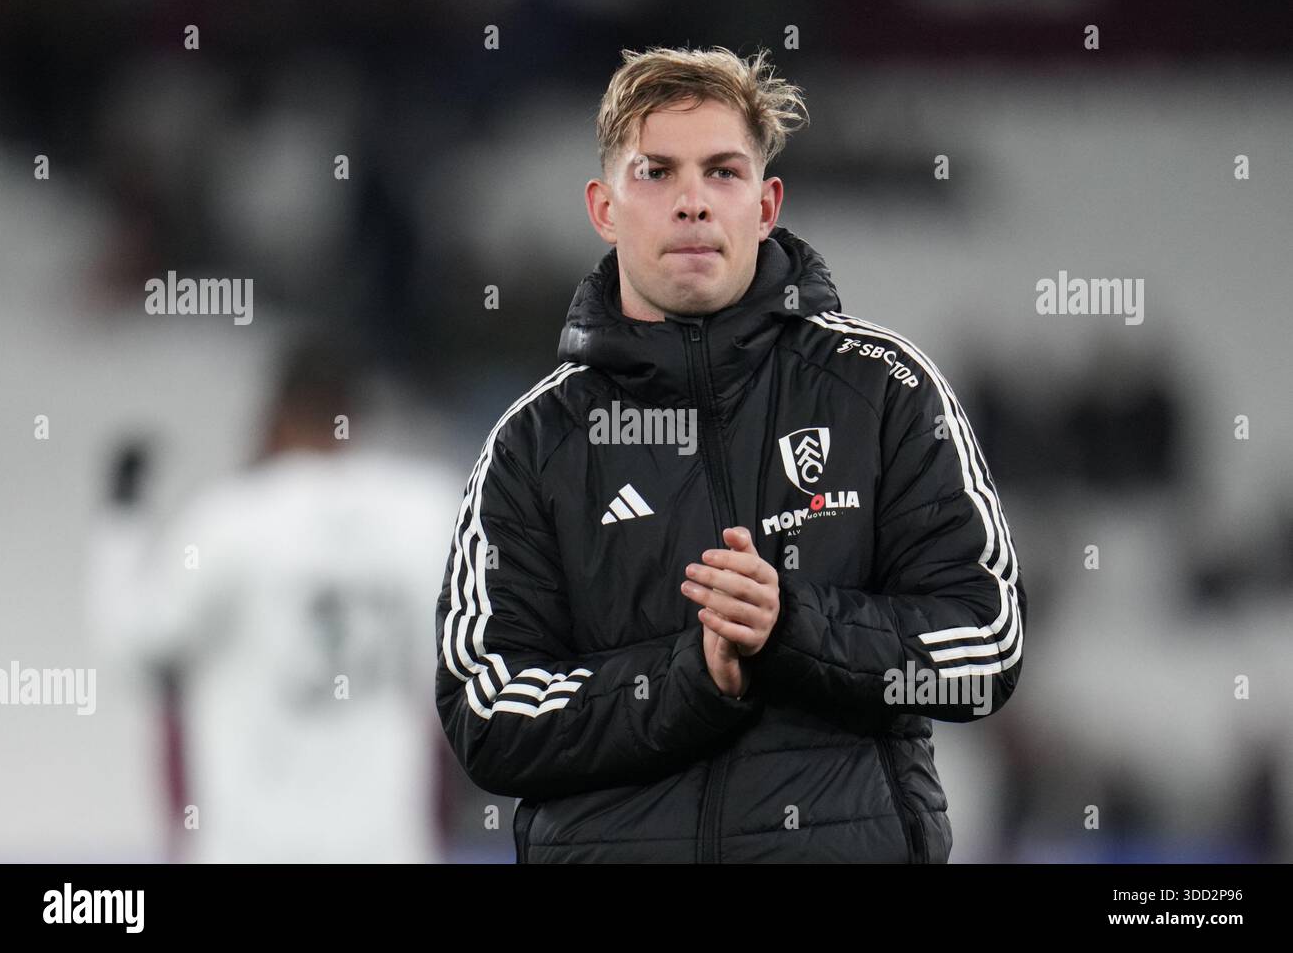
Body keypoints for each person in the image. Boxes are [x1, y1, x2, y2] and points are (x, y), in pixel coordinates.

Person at [435, 45, 1025, 862]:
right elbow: (487, 711)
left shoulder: (884, 391)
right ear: (604, 208)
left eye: (722, 172)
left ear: (766, 203)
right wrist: (694, 676)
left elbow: (987, 644)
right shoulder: (534, 446)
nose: (692, 204)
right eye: (656, 173)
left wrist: (794, 625)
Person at [90, 337, 455, 862]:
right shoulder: (428, 512)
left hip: (252, 848)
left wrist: (121, 519)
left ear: (274, 416)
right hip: (386, 845)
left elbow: (138, 645)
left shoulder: (231, 519)